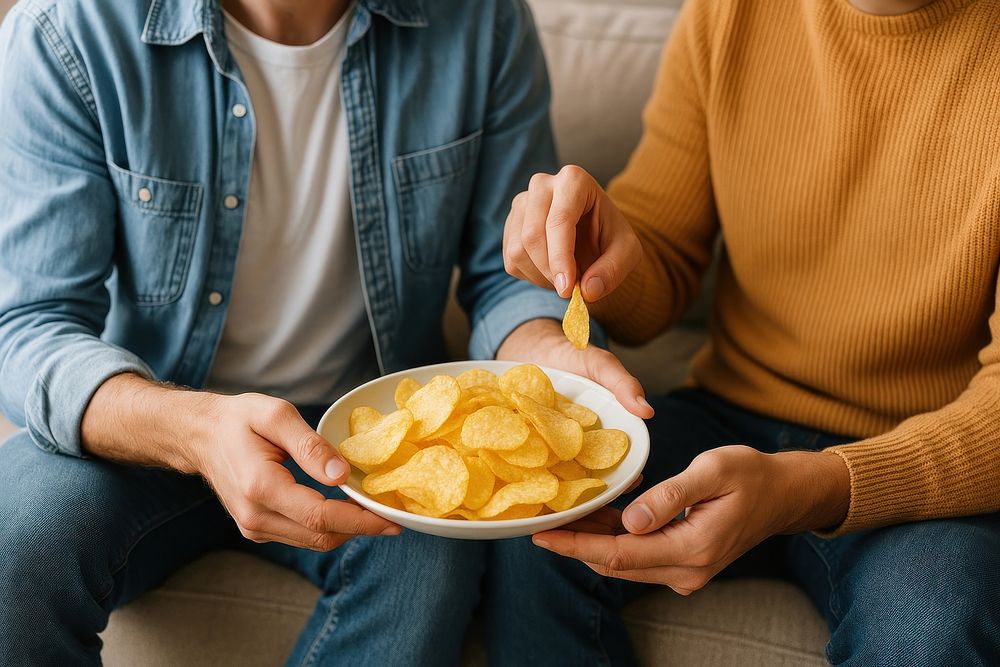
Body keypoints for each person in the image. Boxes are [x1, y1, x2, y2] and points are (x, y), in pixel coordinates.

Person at [0, 0, 652, 664]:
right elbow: (29, 326)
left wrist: (546, 353)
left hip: (359, 443)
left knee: (432, 564)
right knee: (14, 534)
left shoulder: (481, 22)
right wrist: (193, 429)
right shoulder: (68, 33)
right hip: (152, 423)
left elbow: (506, 274)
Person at [502, 0, 1000, 663]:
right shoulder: (729, 13)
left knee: (934, 625)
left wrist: (807, 487)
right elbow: (663, 265)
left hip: (922, 464)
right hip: (728, 417)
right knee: (533, 530)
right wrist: (599, 256)